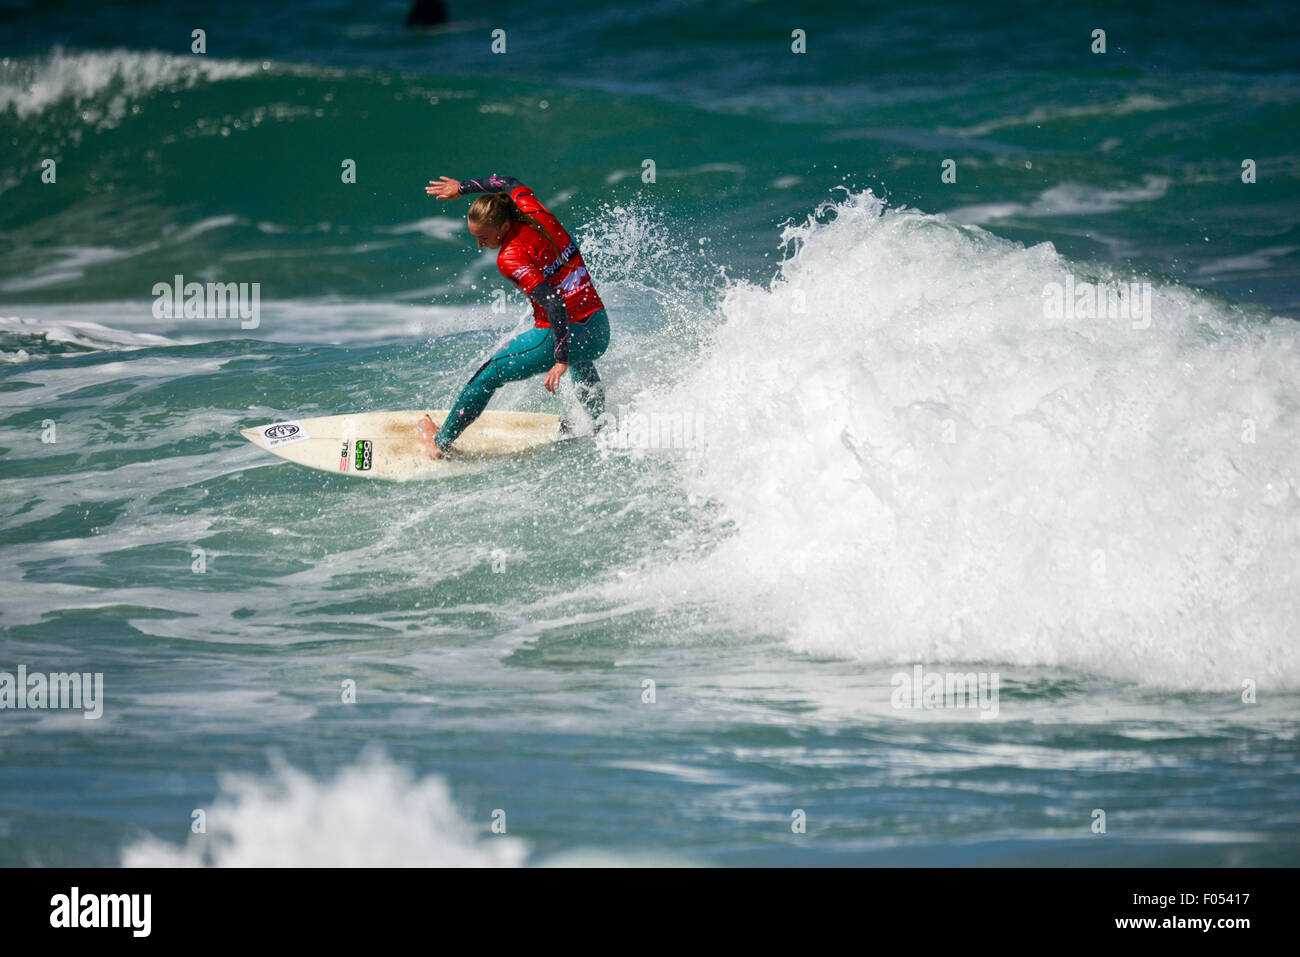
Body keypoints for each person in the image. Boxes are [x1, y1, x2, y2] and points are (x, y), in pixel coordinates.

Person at [417, 173, 610, 458]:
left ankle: (439, 444)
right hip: (598, 329)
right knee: (583, 359)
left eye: (483, 237)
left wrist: (560, 359)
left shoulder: (511, 257)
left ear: (504, 226)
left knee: (488, 375)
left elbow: (554, 303)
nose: (480, 245)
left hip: (559, 333)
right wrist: (462, 188)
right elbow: (506, 181)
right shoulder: (534, 210)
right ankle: (601, 426)